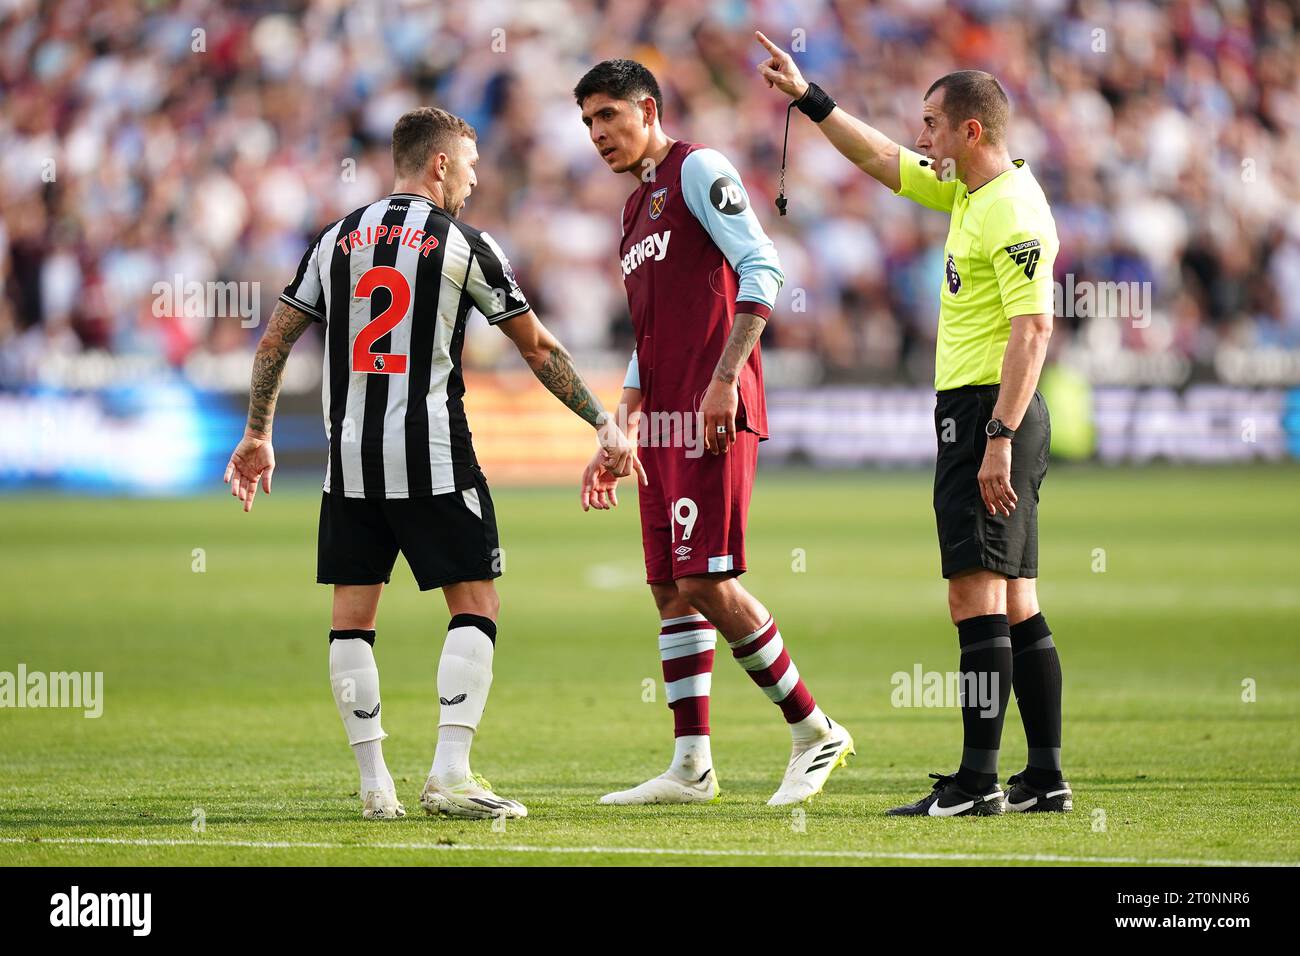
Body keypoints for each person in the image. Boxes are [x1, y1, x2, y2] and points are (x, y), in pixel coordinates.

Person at [223, 106, 635, 821]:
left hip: (350, 462)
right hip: (435, 456)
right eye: (469, 167)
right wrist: (603, 423)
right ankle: (449, 775)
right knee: (476, 604)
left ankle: (374, 786)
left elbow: (274, 342)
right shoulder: (464, 244)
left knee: (352, 619)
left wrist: (258, 432)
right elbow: (536, 347)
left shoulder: (334, 239)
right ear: (440, 163)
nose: (473, 182)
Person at [756, 32, 1070, 816]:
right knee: (1016, 600)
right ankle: (1044, 778)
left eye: (932, 122)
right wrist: (809, 98)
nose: (920, 135)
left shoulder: (1011, 209)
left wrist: (997, 436)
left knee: (973, 598)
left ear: (971, 129)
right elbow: (881, 159)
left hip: (989, 412)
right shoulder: (970, 192)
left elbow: (1035, 329)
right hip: (989, 413)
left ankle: (976, 785)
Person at [575, 59, 854, 807]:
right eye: (588, 122)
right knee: (671, 589)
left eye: (608, 115)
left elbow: (763, 266)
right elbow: (649, 336)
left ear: (648, 108)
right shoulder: (633, 211)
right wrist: (619, 427)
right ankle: (691, 766)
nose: (597, 133)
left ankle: (815, 728)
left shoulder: (699, 169)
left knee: (705, 579)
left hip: (711, 411)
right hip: (663, 420)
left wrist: (725, 379)